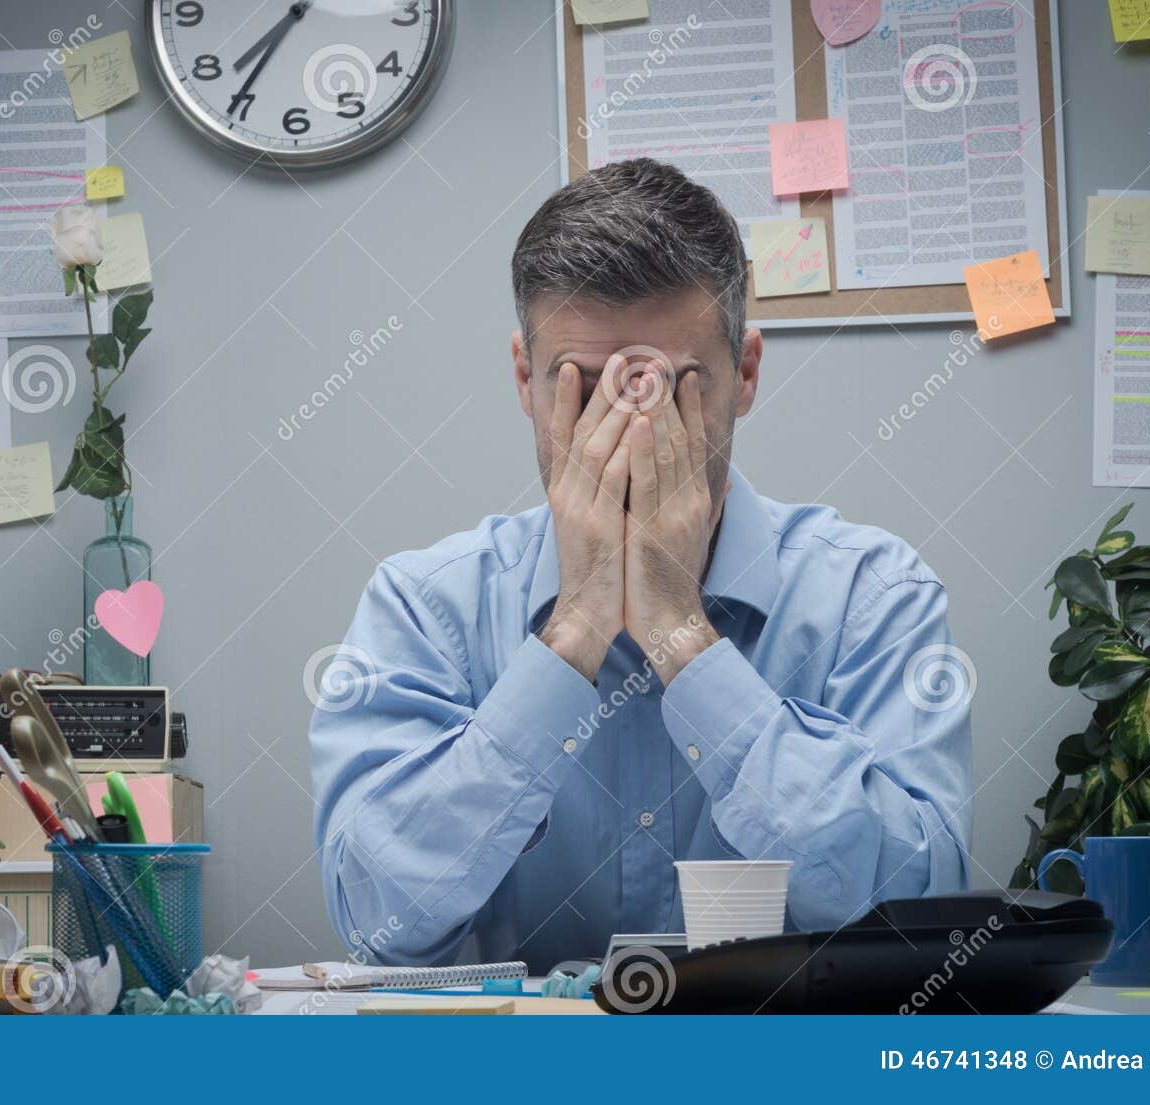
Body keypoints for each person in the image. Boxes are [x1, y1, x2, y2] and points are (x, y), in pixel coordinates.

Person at [309, 158, 972, 971]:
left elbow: (920, 919)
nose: (626, 429)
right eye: (581, 388)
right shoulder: (425, 606)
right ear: (525, 377)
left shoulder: (872, 596)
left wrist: (682, 634)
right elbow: (377, 918)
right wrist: (577, 625)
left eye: (669, 389)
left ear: (748, 374)